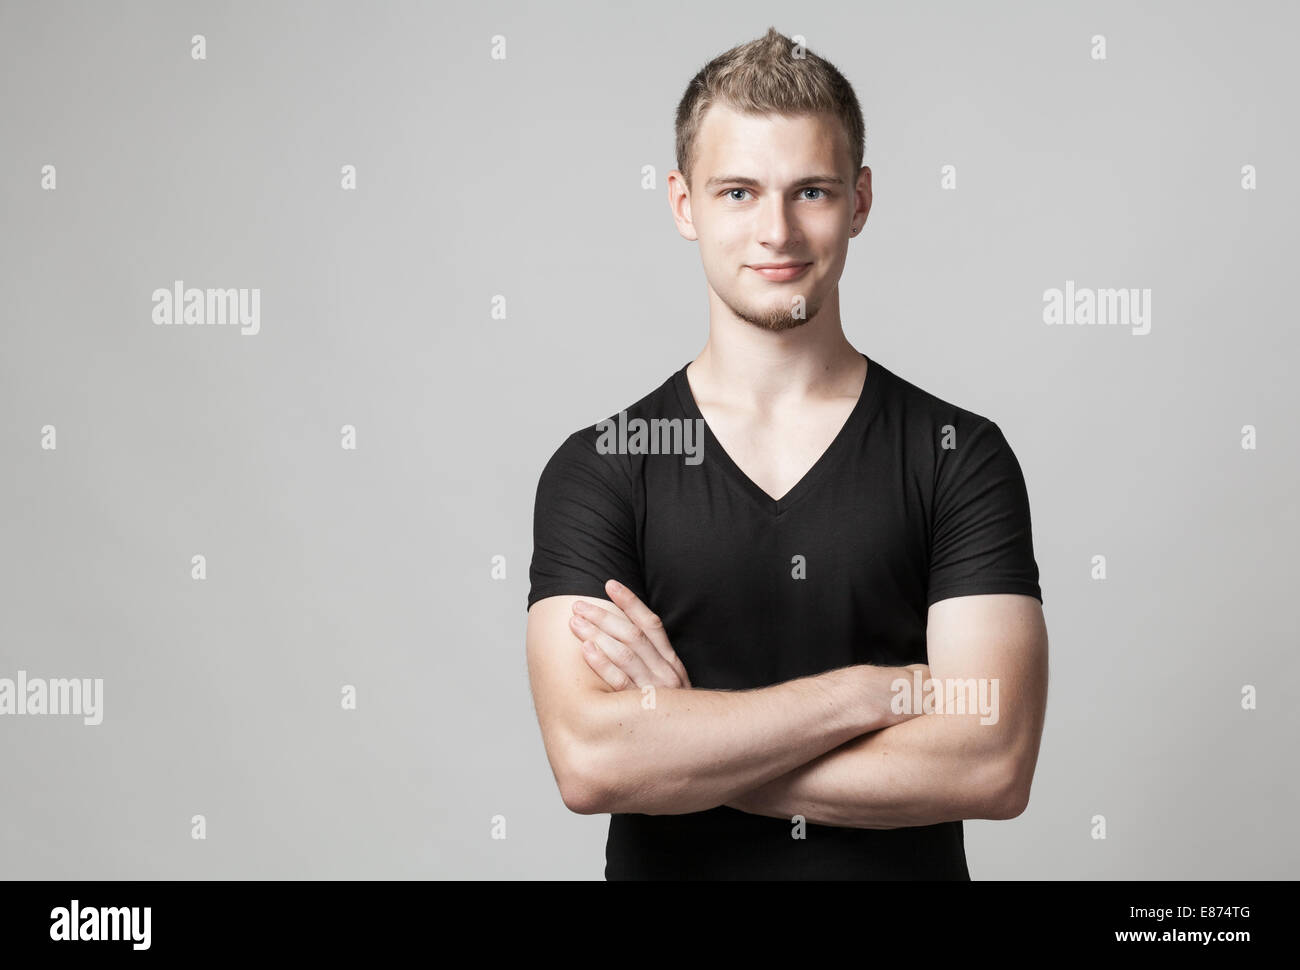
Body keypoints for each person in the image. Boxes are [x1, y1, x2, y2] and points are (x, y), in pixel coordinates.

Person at [524, 26, 1049, 880]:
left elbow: (991, 762)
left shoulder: (959, 456)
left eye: (810, 190)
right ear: (683, 204)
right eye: (737, 192)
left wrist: (689, 745)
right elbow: (592, 762)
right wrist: (869, 693)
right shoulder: (603, 466)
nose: (776, 230)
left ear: (861, 201)